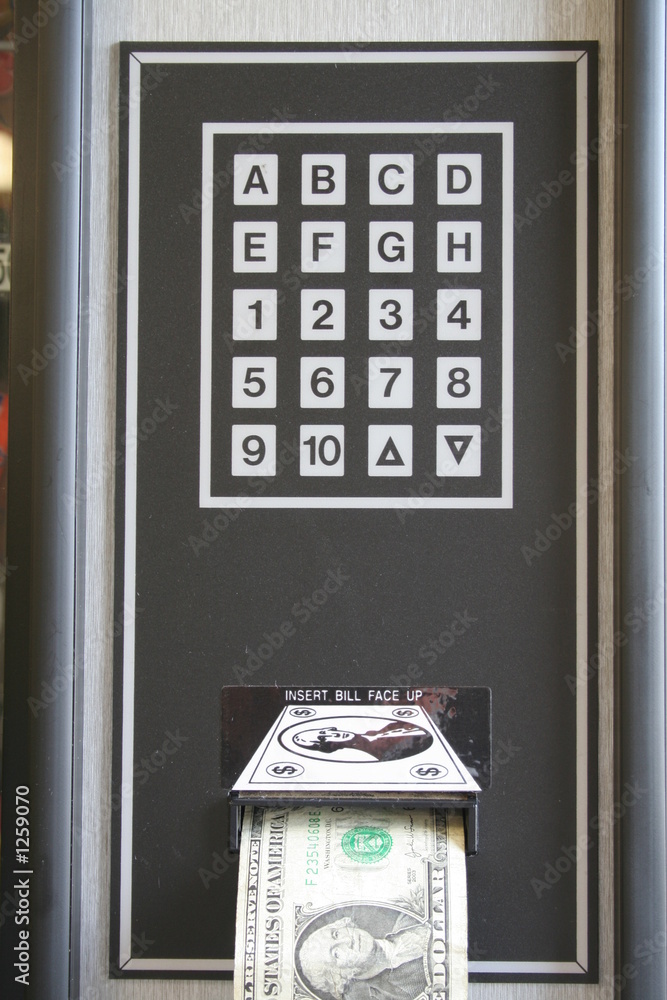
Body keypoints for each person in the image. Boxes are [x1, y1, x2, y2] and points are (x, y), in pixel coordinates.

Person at [297, 910, 431, 1000]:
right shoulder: (392, 996)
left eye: (336, 934)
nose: (348, 940)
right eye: (336, 953)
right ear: (341, 977)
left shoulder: (405, 916)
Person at [291, 722, 432, 761]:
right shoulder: (378, 755)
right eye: (324, 741)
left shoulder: (383, 728)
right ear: (330, 748)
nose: (331, 736)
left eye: (323, 733)